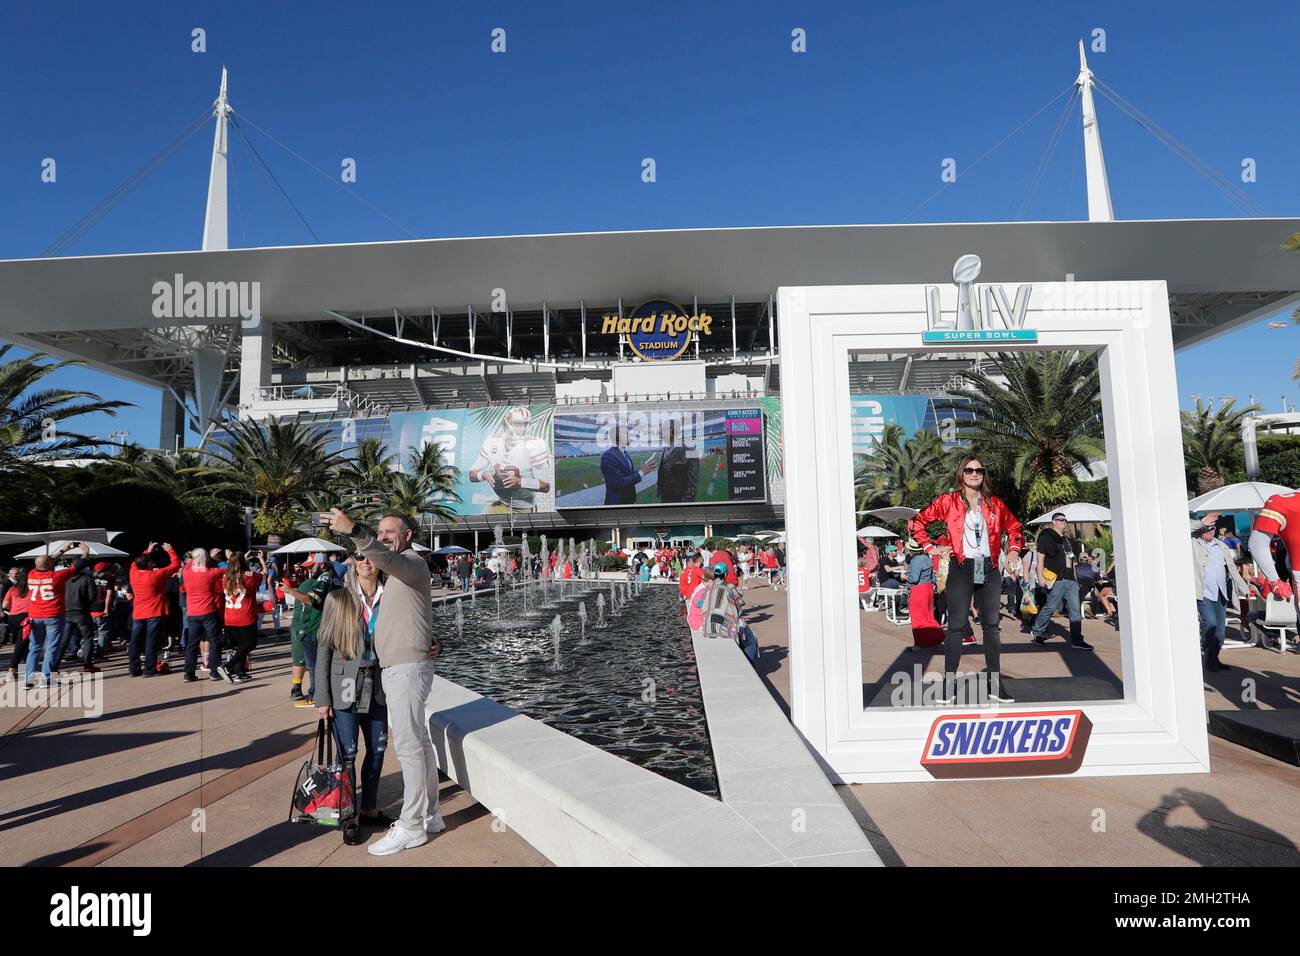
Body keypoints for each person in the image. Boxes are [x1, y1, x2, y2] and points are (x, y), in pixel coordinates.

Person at [328, 507, 444, 857]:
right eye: (378, 532)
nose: (381, 538)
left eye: (388, 531)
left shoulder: (410, 562)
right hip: (402, 666)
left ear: (407, 535)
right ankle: (432, 814)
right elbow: (413, 616)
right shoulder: (398, 573)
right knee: (420, 744)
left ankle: (411, 827)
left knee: (408, 747)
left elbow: (379, 555)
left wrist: (354, 530)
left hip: (406, 668)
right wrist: (431, 641)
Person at [909, 455, 1023, 704]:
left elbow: (1014, 528)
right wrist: (930, 548)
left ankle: (996, 685)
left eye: (979, 470)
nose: (974, 474)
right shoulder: (948, 501)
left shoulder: (994, 504)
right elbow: (917, 523)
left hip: (988, 568)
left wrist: (1013, 549)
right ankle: (948, 686)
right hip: (961, 568)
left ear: (983, 474)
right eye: (969, 470)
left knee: (991, 626)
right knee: (957, 627)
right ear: (961, 473)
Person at [315, 554, 390, 845]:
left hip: (379, 686)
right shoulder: (338, 599)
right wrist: (322, 697)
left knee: (378, 750)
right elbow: (323, 650)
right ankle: (349, 815)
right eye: (359, 556)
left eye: (371, 557)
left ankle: (370, 808)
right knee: (347, 753)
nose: (365, 562)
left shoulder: (391, 597)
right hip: (343, 687)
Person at [25, 542, 91, 687]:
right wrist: (85, 552)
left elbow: (46, 562)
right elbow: (79, 565)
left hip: (35, 616)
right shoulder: (58, 576)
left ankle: (28, 679)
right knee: (51, 647)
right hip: (53, 615)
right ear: (50, 565)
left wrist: (62, 550)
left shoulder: (32, 574)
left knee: (34, 647)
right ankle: (46, 678)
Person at [467, 406, 553, 514]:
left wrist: (520, 482)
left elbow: (545, 486)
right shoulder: (493, 441)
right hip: (501, 503)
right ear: (507, 424)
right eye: (518, 424)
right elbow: (471, 475)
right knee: (481, 527)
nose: (523, 428)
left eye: (526, 424)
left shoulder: (535, 445)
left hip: (524, 507)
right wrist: (483, 475)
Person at [1191, 514, 1248, 671]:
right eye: (1206, 528)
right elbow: (1182, 529)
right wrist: (1200, 522)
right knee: (1210, 625)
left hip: (1221, 593)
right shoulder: (1193, 543)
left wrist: (1245, 588)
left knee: (1221, 631)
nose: (1209, 530)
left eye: (1212, 527)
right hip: (1204, 593)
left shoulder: (1220, 545)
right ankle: (1209, 660)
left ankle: (1214, 658)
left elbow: (1232, 569)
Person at [1030, 514, 1093, 651]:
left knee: (1075, 609)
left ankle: (1077, 640)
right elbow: (1040, 558)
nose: (1064, 522)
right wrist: (1040, 577)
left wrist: (1075, 580)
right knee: (1050, 607)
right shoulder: (1046, 537)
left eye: (1065, 520)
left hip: (1070, 579)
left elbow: (1072, 561)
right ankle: (1038, 632)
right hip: (1056, 578)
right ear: (1054, 522)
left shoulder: (1066, 540)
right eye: (1061, 520)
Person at [284, 553, 335, 707]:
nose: (310, 571)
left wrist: (290, 590)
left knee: (315, 666)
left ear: (319, 565)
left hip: (315, 628)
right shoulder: (330, 577)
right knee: (318, 664)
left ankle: (315, 696)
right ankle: (318, 694)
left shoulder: (324, 578)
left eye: (312, 566)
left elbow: (312, 600)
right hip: (321, 626)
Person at [128, 542, 181, 677]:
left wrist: (148, 551)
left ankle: (134, 669)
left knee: (134, 641)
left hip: (139, 612)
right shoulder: (155, 575)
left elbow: (135, 563)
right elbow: (175, 565)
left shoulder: (133, 572)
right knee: (151, 641)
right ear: (148, 565)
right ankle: (148, 669)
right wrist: (170, 550)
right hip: (154, 612)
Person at [216, 551, 265, 683]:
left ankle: (239, 672)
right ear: (244, 562)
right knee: (250, 643)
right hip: (245, 616)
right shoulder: (248, 576)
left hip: (230, 617)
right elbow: (263, 576)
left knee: (241, 646)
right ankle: (227, 666)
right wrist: (262, 560)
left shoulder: (225, 577)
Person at [181, 548, 224, 683]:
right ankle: (214, 671)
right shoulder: (211, 573)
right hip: (209, 612)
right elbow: (229, 569)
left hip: (193, 613)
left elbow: (191, 562)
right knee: (214, 641)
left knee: (192, 644)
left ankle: (189, 673)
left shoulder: (186, 572)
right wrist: (211, 557)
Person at [600, 423, 657, 505]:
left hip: (628, 500)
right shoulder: (608, 456)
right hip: (617, 503)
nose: (629, 435)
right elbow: (618, 483)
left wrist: (641, 470)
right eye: (626, 433)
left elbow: (628, 475)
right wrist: (642, 472)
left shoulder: (624, 453)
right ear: (618, 437)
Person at [63, 559, 101, 674]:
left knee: (64, 640)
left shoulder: (65, 578)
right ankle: (87, 664)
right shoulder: (87, 578)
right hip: (81, 611)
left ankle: (54, 665)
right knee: (88, 638)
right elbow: (92, 596)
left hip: (67, 612)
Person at [656, 417, 699, 503]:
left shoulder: (689, 448)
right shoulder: (664, 448)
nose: (660, 432)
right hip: (665, 497)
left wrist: (687, 501)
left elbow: (693, 479)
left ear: (673, 431)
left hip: (679, 498)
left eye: (663, 429)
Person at [4, 570, 30, 681]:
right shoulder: (32, 590)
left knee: (23, 644)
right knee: (21, 645)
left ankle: (24, 669)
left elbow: (5, 605)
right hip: (25, 618)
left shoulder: (12, 589)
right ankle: (11, 670)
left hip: (12, 618)